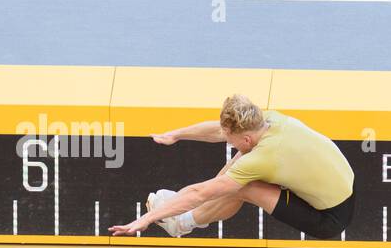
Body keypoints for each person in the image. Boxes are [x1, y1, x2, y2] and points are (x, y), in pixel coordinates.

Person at [109, 94, 356, 239]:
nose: (226, 140)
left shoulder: (264, 157)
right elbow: (218, 130)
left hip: (329, 218)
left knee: (240, 185)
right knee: (241, 161)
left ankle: (182, 223)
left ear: (246, 137)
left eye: (230, 138)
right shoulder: (268, 120)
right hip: (343, 187)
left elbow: (202, 192)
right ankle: (186, 215)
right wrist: (177, 134)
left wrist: (148, 218)